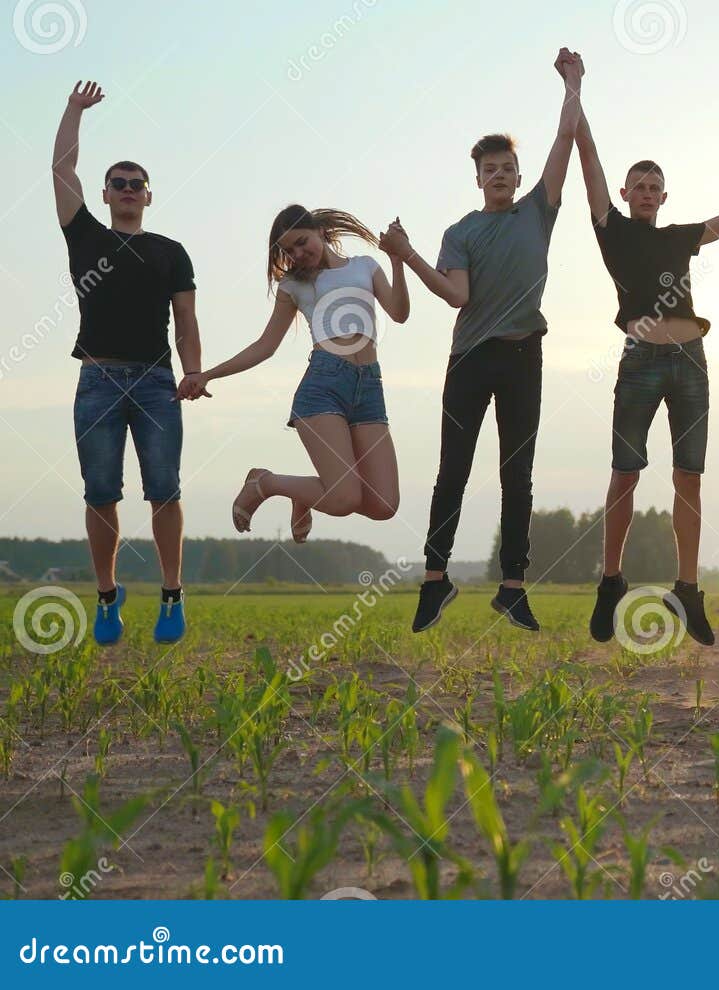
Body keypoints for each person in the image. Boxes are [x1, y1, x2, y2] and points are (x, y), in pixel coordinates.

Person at [577, 107, 719, 649]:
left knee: (689, 477)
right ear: (626, 195)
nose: (647, 192)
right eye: (640, 186)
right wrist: (576, 93)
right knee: (624, 474)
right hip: (640, 362)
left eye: (656, 186)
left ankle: (688, 589)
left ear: (665, 196)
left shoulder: (680, 236)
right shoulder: (612, 229)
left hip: (691, 361)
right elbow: (589, 158)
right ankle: (610, 582)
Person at [383, 49, 585, 634]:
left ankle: (513, 587)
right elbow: (456, 296)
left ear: (519, 177)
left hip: (525, 356)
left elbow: (566, 139)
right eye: (488, 169)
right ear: (477, 179)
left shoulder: (538, 211)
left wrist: (572, 83)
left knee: (517, 474)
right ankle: (435, 579)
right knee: (453, 470)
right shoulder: (461, 232)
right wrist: (408, 254)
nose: (499, 175)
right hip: (470, 359)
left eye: (506, 168)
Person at [54, 81, 200, 646]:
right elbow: (61, 170)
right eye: (119, 184)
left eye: (138, 185)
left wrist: (194, 369)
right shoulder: (85, 236)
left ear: (149, 195)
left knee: (164, 488)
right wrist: (74, 110)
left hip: (157, 382)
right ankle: (108, 598)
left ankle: (171, 594)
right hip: (97, 379)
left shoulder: (170, 251)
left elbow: (186, 321)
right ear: (107, 193)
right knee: (100, 492)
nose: (129, 191)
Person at [178, 208, 408, 543]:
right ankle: (265, 483)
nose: (299, 254)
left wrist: (398, 260)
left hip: (370, 387)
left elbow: (399, 313)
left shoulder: (365, 267)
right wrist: (208, 375)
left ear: (319, 231)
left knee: (384, 504)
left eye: (302, 242)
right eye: (290, 251)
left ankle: (302, 494)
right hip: (324, 387)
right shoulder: (294, 286)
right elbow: (265, 346)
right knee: (344, 498)